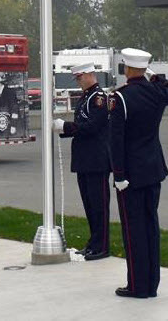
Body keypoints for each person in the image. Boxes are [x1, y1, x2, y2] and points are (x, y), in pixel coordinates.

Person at [108, 47, 168, 299]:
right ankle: (151, 284)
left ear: (127, 68)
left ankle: (137, 286)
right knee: (151, 226)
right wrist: (154, 76)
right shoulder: (156, 92)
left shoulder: (120, 97)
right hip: (153, 169)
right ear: (144, 68)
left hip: (130, 174)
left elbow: (116, 140)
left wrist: (118, 174)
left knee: (133, 230)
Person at [53, 62, 110, 259]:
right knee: (89, 204)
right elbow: (82, 126)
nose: (78, 81)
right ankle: (93, 242)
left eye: (79, 77)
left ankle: (102, 246)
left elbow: (93, 126)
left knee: (99, 205)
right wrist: (64, 129)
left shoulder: (99, 98)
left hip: (96, 159)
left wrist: (66, 127)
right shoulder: (86, 97)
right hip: (85, 159)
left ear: (89, 75)